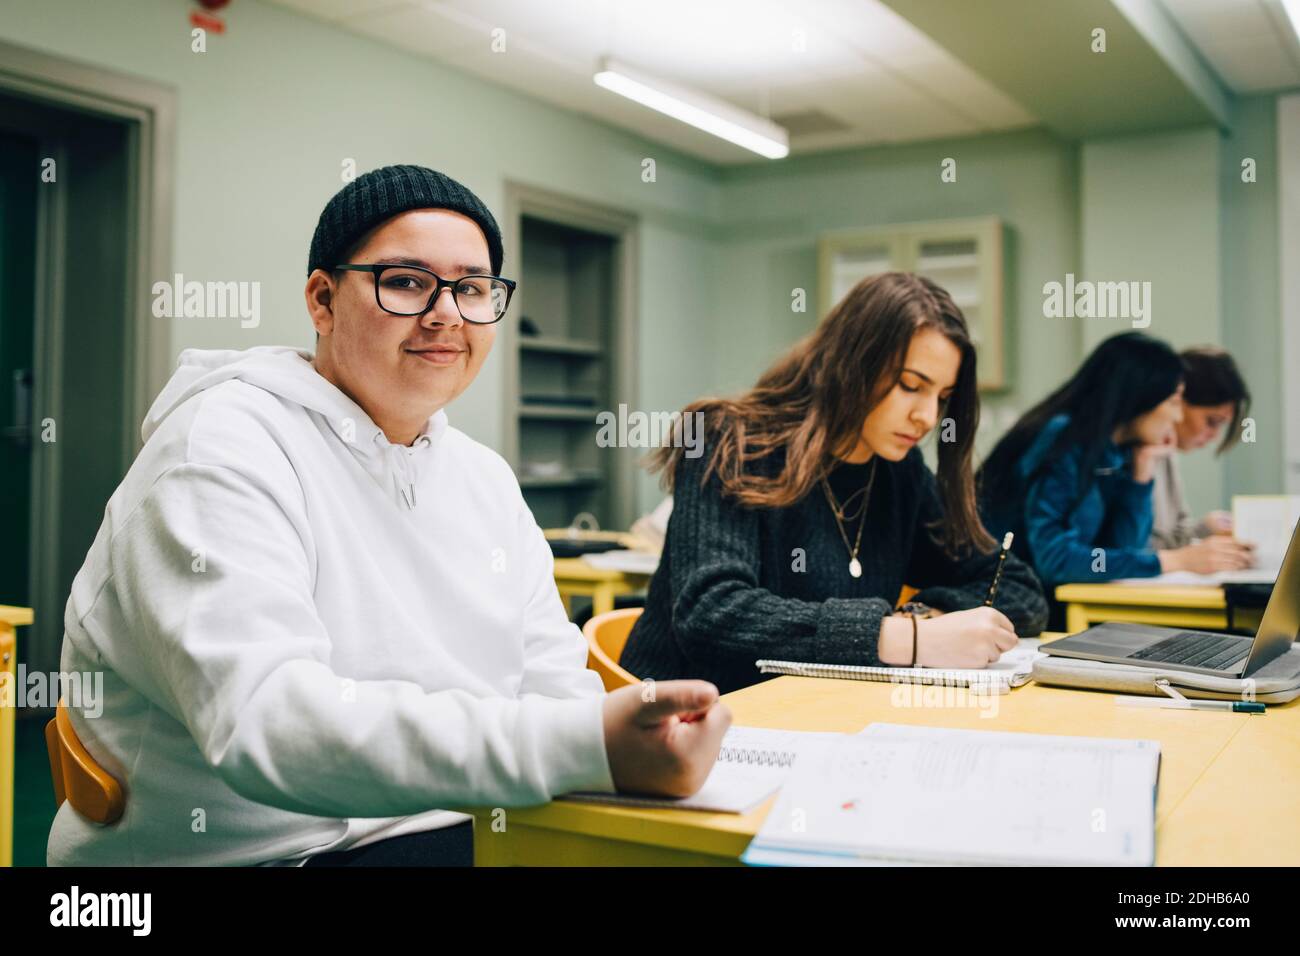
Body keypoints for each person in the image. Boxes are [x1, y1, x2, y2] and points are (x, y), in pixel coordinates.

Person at [48, 165, 729, 867]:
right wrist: (581, 746)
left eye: (472, 288)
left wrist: (606, 746)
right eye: (405, 281)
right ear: (322, 299)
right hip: (267, 855)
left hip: (468, 826)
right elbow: (268, 723)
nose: (446, 314)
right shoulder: (219, 449)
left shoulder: (483, 477)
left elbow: (551, 679)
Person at [618, 272, 1048, 695]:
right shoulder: (726, 439)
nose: (927, 417)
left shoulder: (899, 471)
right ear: (853, 365)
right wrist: (903, 638)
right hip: (690, 721)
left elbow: (1017, 588)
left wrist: (926, 616)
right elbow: (712, 614)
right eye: (910, 386)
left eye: (941, 397)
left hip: (818, 713)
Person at [979, 333, 1254, 626]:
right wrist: (1175, 561)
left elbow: (1123, 549)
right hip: (1003, 609)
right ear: (1140, 398)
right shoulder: (1063, 437)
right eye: (1173, 402)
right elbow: (1056, 560)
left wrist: (1141, 472)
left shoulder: (1116, 452)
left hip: (1048, 606)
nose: (1176, 418)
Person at [1149, 346, 1252, 549]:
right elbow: (1136, 548)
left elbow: (1171, 539)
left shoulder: (1167, 452)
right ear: (1178, 400)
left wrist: (1207, 528)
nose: (1214, 436)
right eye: (1212, 421)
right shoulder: (1138, 452)